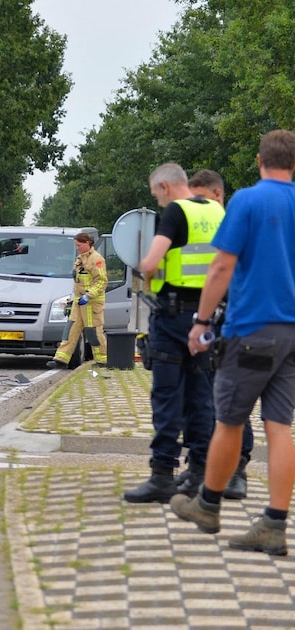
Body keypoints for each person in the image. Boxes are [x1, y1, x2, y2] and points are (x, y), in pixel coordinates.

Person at [170, 130, 295, 554]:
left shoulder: (247, 200)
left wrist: (201, 321)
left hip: (253, 329)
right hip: (292, 333)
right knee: (280, 427)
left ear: (260, 161)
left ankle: (208, 506)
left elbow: (222, 265)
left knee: (230, 420)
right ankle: (274, 525)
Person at [122, 163, 224, 504]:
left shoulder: (176, 212)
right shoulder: (216, 210)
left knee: (167, 397)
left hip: (172, 316)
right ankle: (197, 474)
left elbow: (150, 263)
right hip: (207, 317)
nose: (160, 202)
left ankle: (162, 476)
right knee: (201, 397)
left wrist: (145, 279)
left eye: (157, 195)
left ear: (165, 186)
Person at [187, 168, 252, 500]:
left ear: (217, 195)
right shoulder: (188, 226)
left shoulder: (238, 224)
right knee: (203, 398)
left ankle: (237, 470)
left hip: (235, 322)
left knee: (235, 400)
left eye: (202, 197)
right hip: (199, 319)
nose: (196, 204)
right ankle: (202, 466)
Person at [45, 233, 108, 369]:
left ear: (87, 243)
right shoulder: (81, 258)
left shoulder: (96, 259)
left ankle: (102, 360)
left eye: (79, 245)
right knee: (71, 329)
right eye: (76, 245)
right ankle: (61, 359)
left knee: (93, 331)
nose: (77, 248)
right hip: (79, 301)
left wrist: (89, 295)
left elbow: (102, 281)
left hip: (92, 303)